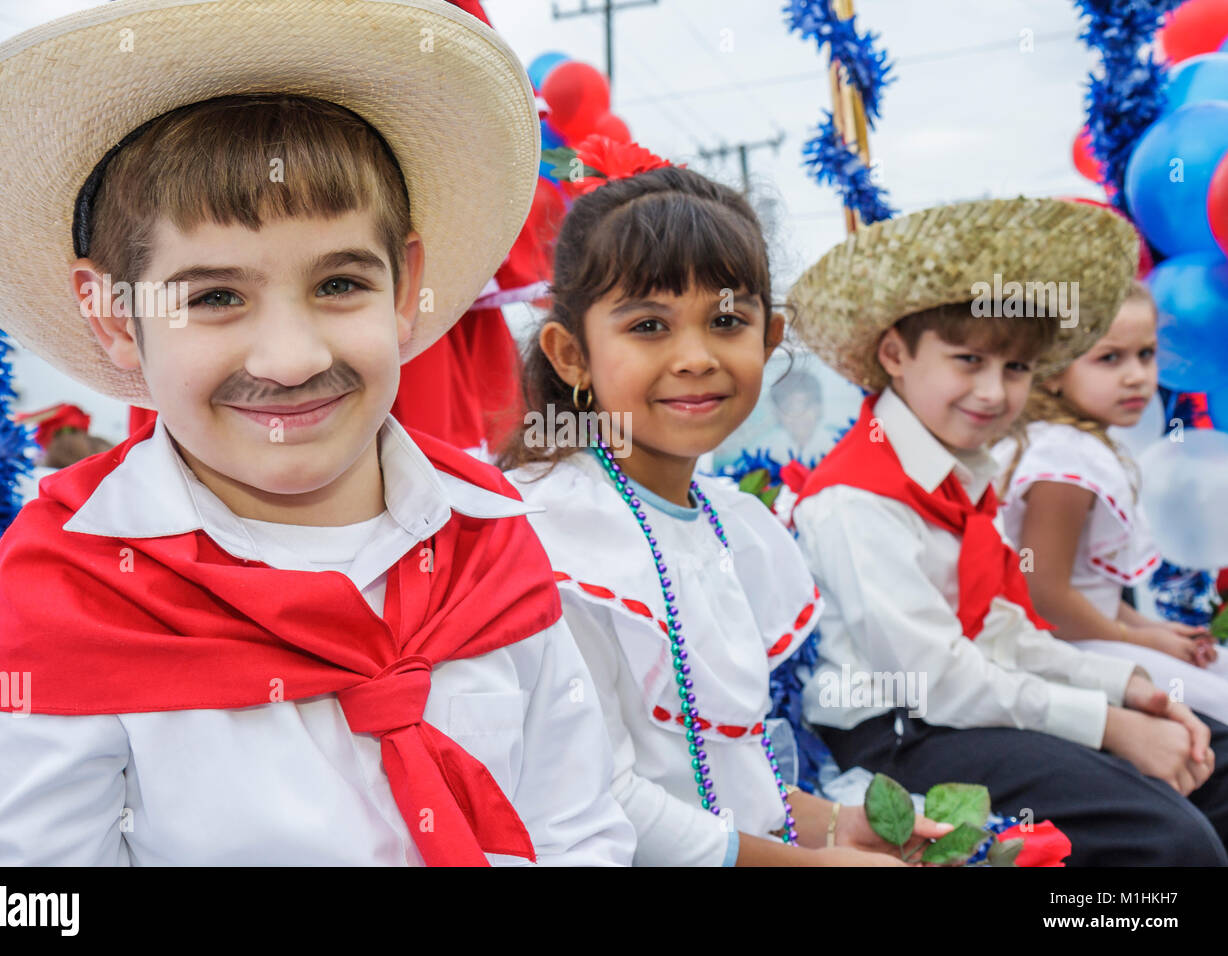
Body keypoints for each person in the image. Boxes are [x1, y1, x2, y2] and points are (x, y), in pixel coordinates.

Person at [0, 0, 633, 866]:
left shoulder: (491, 534)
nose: (293, 359)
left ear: (406, 284)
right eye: (215, 297)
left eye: (339, 283)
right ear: (114, 318)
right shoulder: (71, 591)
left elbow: (578, 832)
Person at [497, 138, 954, 866]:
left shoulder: (729, 522)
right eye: (649, 325)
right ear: (571, 355)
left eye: (727, 321)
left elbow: (721, 779)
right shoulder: (552, 537)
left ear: (770, 340)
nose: (696, 356)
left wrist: (840, 828)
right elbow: (602, 797)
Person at [789, 196, 1228, 865]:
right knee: (1167, 840)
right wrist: (1113, 727)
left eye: (1016, 368)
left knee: (1217, 764)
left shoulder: (963, 477)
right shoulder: (857, 500)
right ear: (894, 354)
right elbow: (939, 680)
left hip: (967, 709)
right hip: (902, 736)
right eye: (969, 360)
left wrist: (1125, 685)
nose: (994, 392)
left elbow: (1002, 634)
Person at [993, 279, 1228, 722]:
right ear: (1055, 370)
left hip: (1087, 633)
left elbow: (1085, 588)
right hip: (1066, 650)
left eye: (1146, 354)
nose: (1137, 375)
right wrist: (1138, 640)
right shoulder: (1065, 460)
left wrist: (1150, 627)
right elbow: (1043, 595)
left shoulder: (1071, 444)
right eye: (1109, 358)